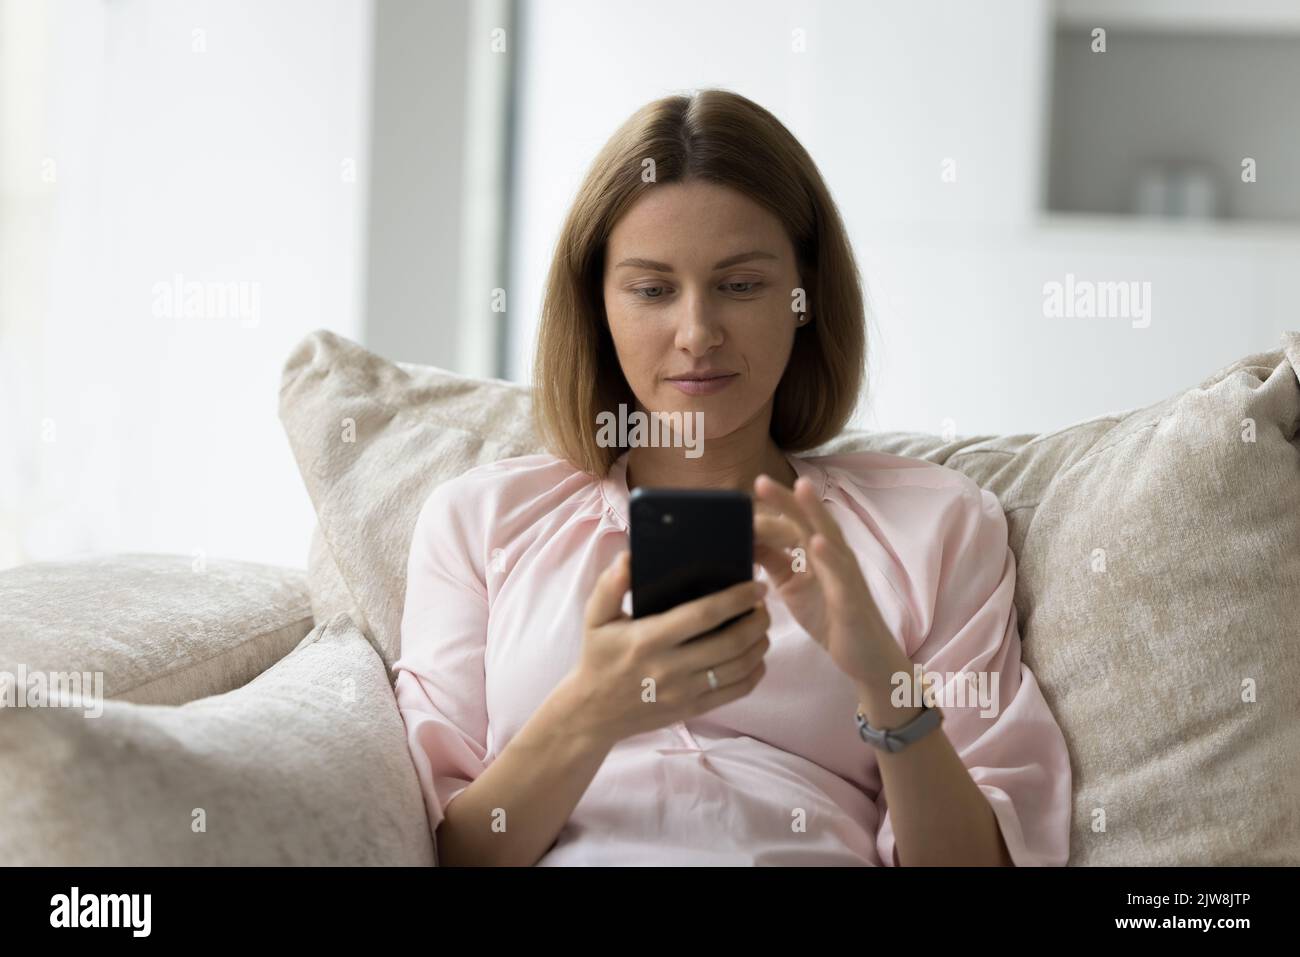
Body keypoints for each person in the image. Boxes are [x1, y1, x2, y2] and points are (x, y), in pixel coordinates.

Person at [392, 88, 1072, 866]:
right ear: (597, 305)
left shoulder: (938, 526)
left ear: (803, 296)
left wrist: (879, 672)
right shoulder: (480, 521)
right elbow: (451, 854)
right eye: (652, 290)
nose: (696, 334)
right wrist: (590, 710)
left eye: (741, 284)